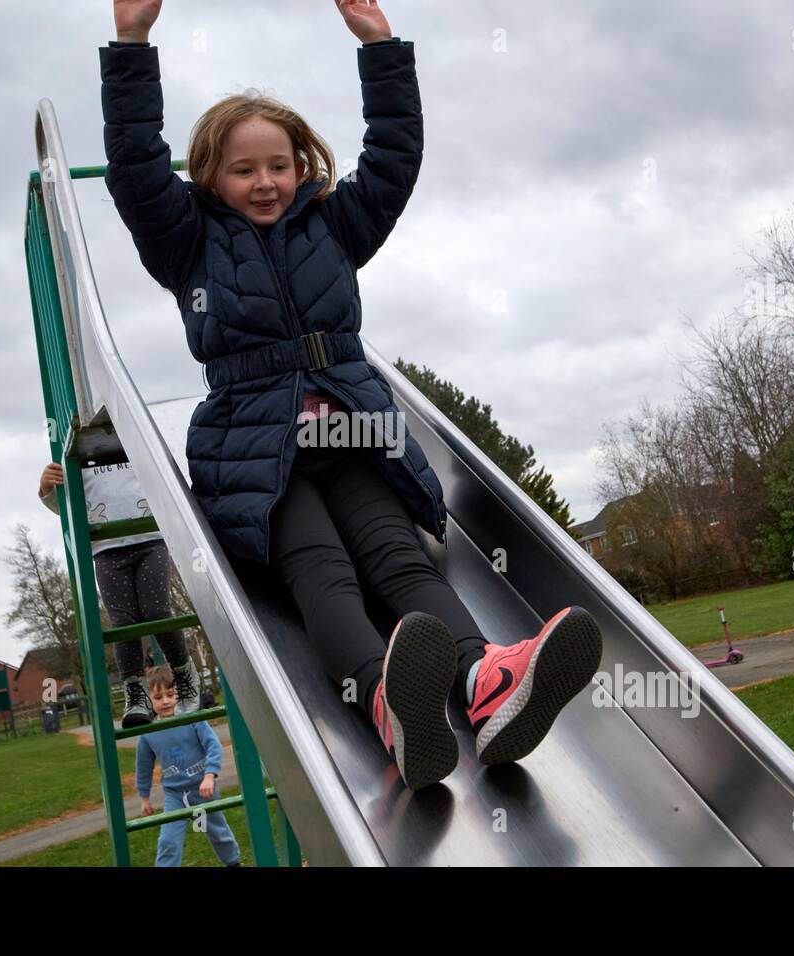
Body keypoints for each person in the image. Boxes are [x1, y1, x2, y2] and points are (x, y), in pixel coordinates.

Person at [100, 0, 603, 789]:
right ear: (208, 177)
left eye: (280, 165)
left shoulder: (334, 227)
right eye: (244, 169)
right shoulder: (186, 241)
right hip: (257, 453)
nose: (266, 182)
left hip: (350, 431)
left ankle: (484, 684)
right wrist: (133, 43)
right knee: (323, 571)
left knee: (399, 559)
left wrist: (380, 47)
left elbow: (395, 156)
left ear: (302, 166)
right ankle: (383, 700)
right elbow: (133, 167)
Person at [38, 459, 202, 726]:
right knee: (123, 623)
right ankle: (136, 693)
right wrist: (47, 488)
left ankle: (184, 673)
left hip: (149, 537)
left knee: (156, 612)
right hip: (106, 547)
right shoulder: (79, 455)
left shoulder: (132, 432)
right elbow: (69, 509)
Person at [136, 664, 241, 867]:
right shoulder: (148, 733)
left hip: (203, 791)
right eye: (158, 698)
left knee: (216, 833)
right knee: (168, 840)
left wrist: (209, 775)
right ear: (149, 700)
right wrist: (144, 797)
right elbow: (143, 766)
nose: (166, 701)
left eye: (170, 694)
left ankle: (234, 864)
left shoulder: (192, 719)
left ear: (179, 695)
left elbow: (213, 745)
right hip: (175, 796)